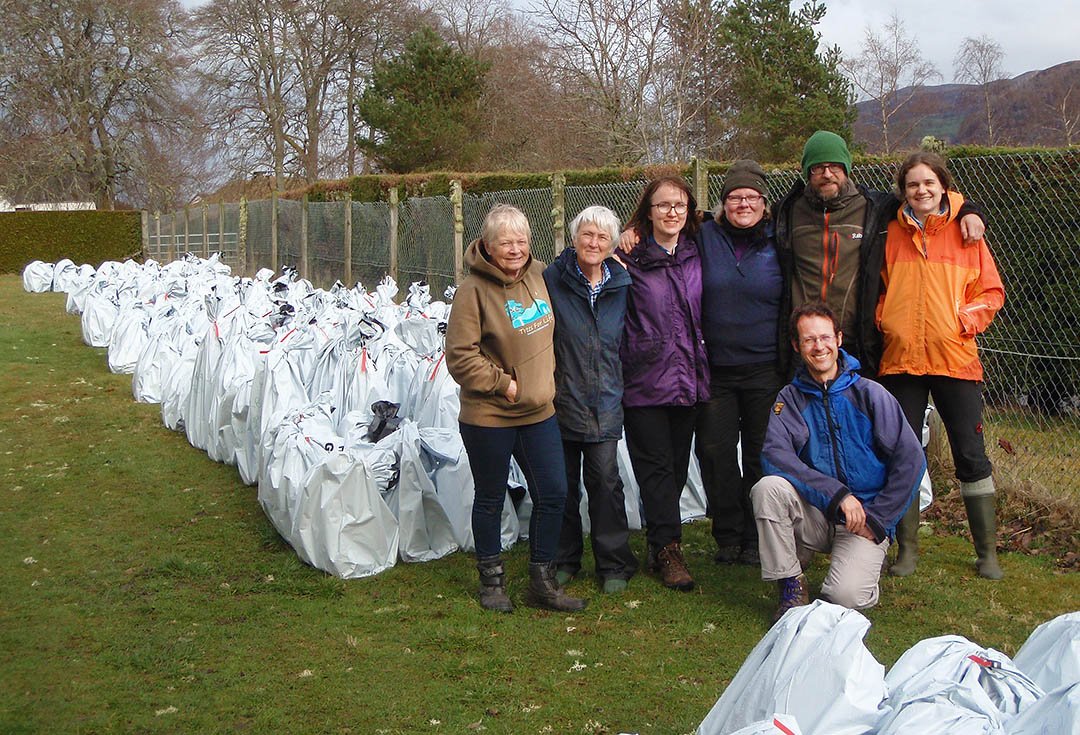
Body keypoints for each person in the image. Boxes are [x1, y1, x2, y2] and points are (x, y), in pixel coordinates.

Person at [445, 203, 587, 613]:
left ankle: (541, 581)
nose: (515, 249)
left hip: (539, 411)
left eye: (521, 241)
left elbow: (584, 260)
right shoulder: (472, 291)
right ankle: (492, 582)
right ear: (487, 247)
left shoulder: (541, 276)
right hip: (490, 416)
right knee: (491, 497)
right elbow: (460, 356)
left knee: (555, 492)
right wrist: (504, 385)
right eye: (505, 242)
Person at [752, 302, 925, 623]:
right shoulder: (789, 399)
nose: (819, 347)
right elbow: (775, 457)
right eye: (809, 340)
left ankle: (863, 566)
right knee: (768, 488)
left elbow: (911, 459)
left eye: (825, 337)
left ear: (839, 339)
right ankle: (791, 583)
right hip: (818, 512)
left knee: (842, 598)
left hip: (865, 519)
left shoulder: (870, 394)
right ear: (797, 346)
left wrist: (880, 518)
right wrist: (836, 494)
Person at [876, 151, 1006, 580]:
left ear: (943, 186)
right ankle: (907, 550)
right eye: (912, 185)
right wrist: (886, 321)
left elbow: (991, 291)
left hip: (955, 359)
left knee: (970, 454)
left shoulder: (967, 232)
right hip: (902, 362)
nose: (921, 191)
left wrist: (962, 323)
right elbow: (878, 289)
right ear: (904, 191)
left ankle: (987, 553)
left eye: (928, 183)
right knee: (904, 453)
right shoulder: (890, 231)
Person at [774, 131, 986, 376]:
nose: (827, 174)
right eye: (817, 168)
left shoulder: (875, 208)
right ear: (807, 172)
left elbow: (926, 198)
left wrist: (969, 210)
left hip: (856, 342)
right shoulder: (787, 212)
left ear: (847, 168)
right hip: (806, 344)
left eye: (834, 166)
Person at [620, 176, 710, 591]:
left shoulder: (699, 250)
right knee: (655, 468)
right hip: (646, 379)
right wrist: (619, 237)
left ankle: (659, 544)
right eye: (663, 205)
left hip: (688, 378)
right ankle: (670, 550)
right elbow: (578, 256)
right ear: (648, 211)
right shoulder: (630, 256)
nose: (672, 212)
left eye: (679, 205)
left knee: (674, 468)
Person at [543, 206, 638, 594]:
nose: (593, 243)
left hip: (606, 399)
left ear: (613, 244)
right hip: (561, 397)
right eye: (587, 235)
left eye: (602, 237)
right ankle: (565, 559)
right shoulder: (552, 279)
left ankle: (614, 563)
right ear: (574, 238)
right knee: (562, 484)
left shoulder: (622, 284)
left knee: (604, 481)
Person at [694, 160, 785, 567]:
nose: (743, 204)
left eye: (751, 197)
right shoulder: (705, 235)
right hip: (715, 367)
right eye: (734, 197)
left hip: (766, 366)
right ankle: (727, 534)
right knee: (715, 451)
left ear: (764, 204)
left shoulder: (779, 238)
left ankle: (756, 535)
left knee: (761, 452)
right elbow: (658, 221)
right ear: (723, 203)